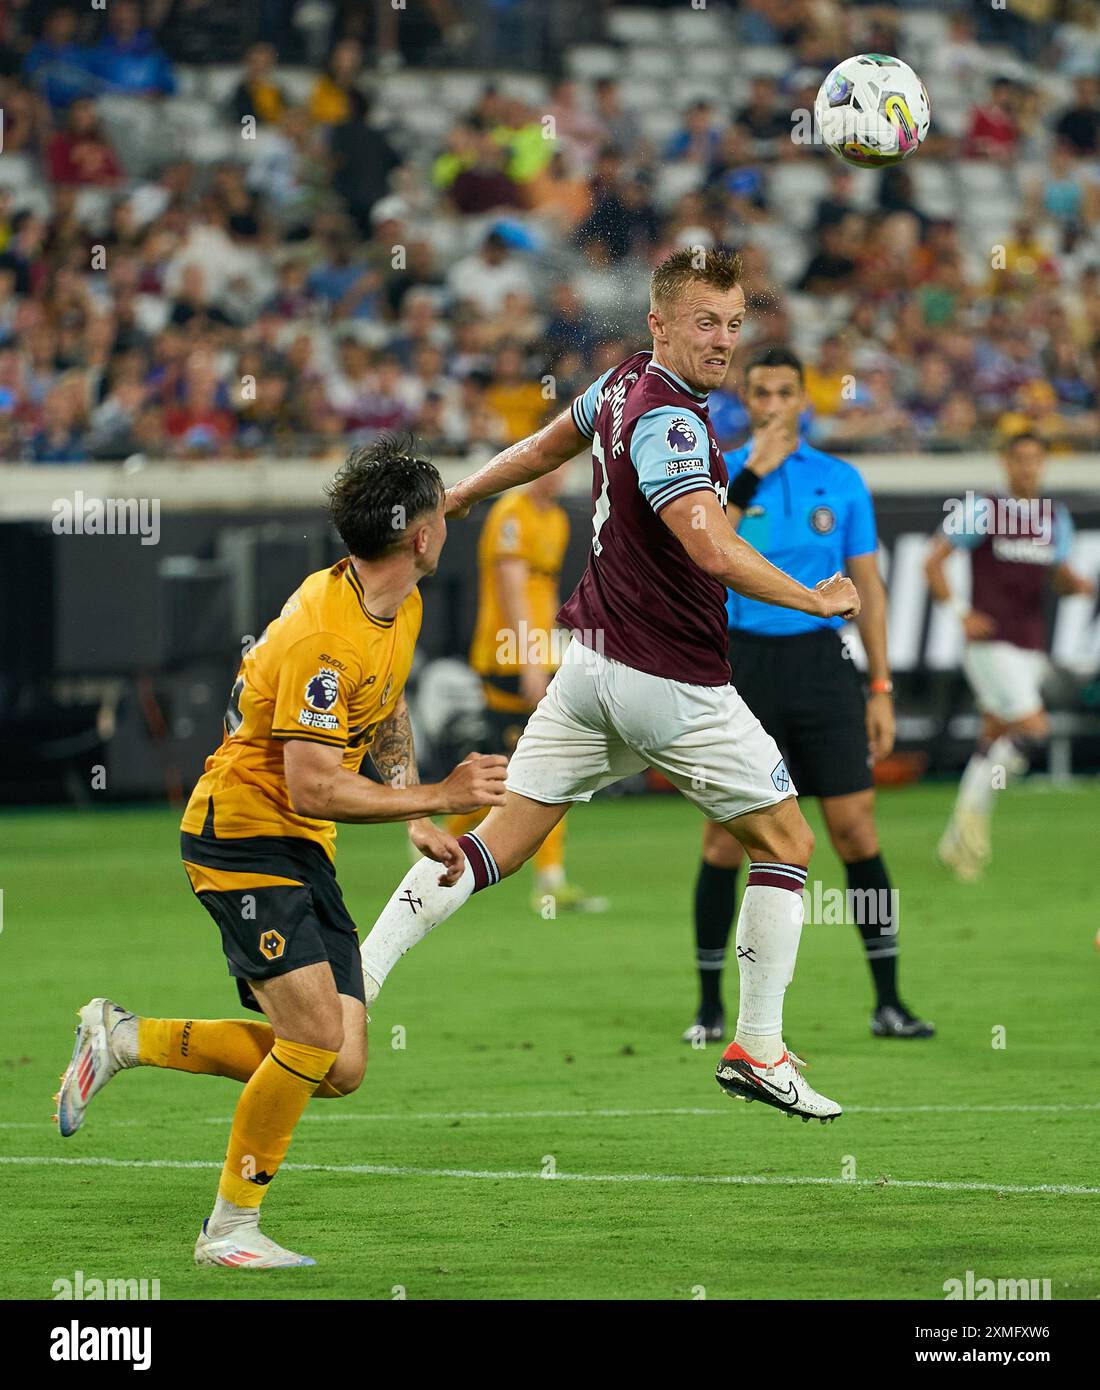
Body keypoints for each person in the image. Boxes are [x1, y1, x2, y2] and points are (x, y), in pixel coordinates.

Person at [357, 248, 862, 1123]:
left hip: (590, 670)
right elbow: (710, 546)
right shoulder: (670, 420)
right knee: (788, 845)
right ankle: (759, 1046)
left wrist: (467, 492)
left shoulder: (622, 382)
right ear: (660, 322)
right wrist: (812, 598)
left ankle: (354, 981)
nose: (723, 340)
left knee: (495, 848)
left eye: (735, 324)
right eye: (706, 322)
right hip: (668, 678)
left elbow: (550, 443)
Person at [54, 440, 508, 1269]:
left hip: (297, 844)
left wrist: (406, 802)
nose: (448, 521)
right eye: (440, 509)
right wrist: (436, 794)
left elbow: (388, 696)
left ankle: (124, 1039)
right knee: (309, 1037)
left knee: (341, 1065)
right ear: (419, 536)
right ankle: (228, 1230)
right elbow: (311, 786)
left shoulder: (392, 600)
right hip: (242, 836)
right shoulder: (321, 638)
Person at [684, 347, 934, 1047]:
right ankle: (708, 1007)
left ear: (803, 400)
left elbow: (871, 589)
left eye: (783, 392)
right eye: (759, 392)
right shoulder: (725, 473)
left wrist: (881, 687)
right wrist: (755, 468)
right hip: (744, 665)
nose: (770, 404)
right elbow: (710, 551)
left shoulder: (841, 481)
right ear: (746, 400)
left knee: (856, 830)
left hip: (825, 666)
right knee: (726, 839)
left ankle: (889, 1000)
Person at [925, 433, 1093, 881]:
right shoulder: (984, 509)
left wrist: (1073, 584)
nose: (1028, 468)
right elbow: (932, 561)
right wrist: (961, 613)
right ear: (1006, 463)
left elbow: (1055, 577)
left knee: (994, 737)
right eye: (1020, 460)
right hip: (990, 644)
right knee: (1033, 729)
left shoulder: (1054, 518)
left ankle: (956, 840)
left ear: (1043, 465)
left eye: (1035, 460)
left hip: (1029, 644)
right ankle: (967, 829)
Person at [453, 468, 606, 913]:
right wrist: (530, 661)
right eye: (554, 462)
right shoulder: (511, 515)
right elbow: (513, 591)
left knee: (516, 770)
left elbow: (542, 596)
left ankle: (447, 840)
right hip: (508, 657)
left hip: (536, 655)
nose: (558, 474)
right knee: (533, 769)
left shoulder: (555, 519)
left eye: (567, 464)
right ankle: (545, 878)